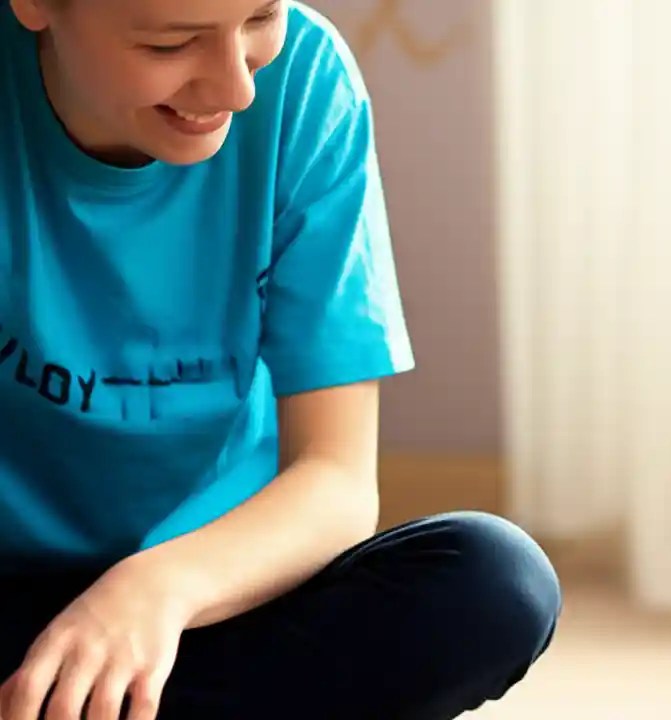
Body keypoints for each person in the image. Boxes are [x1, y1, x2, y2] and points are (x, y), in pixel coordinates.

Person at [0, 0, 561, 718]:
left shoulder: (307, 85)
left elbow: (335, 479)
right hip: (12, 601)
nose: (237, 89)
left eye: (262, 18)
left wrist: (155, 592)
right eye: (172, 43)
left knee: (495, 584)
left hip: (211, 599)